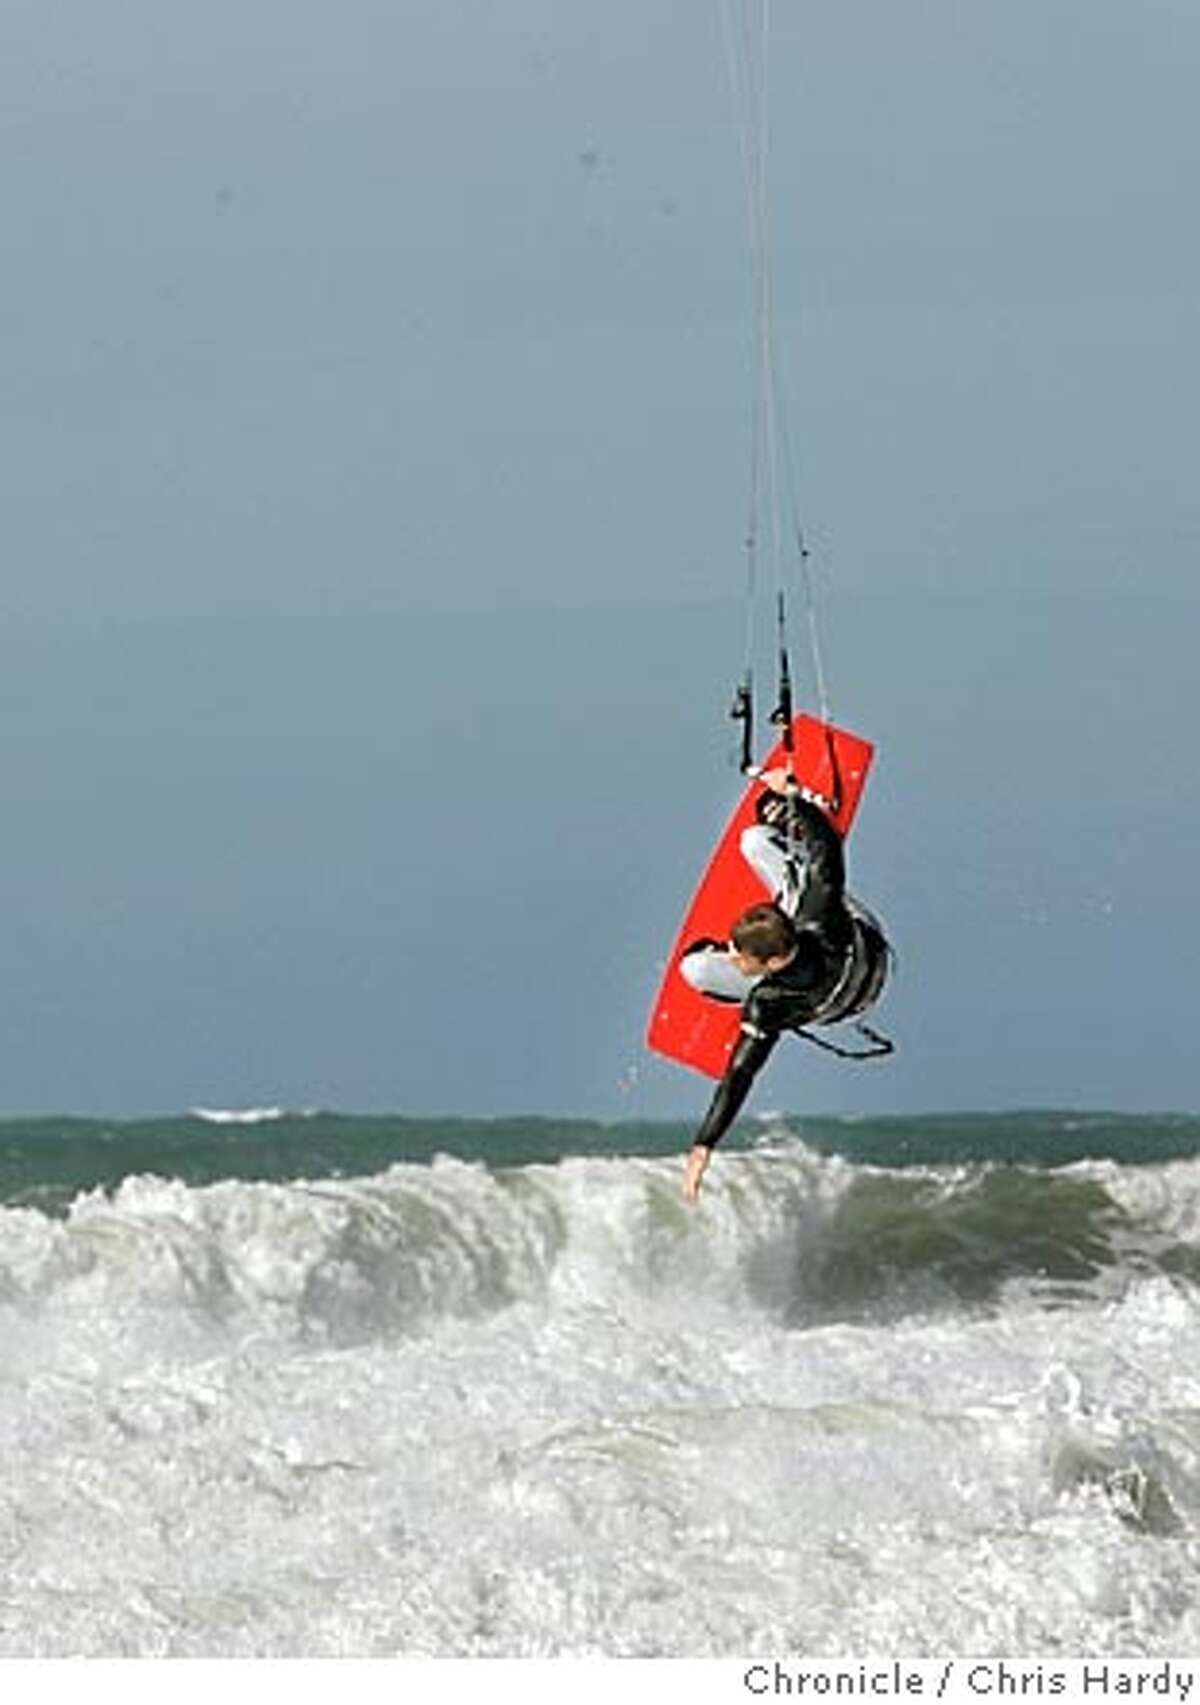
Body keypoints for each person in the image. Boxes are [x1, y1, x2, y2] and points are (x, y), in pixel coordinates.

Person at [679, 768, 888, 1202]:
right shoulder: (820, 909)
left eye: (740, 957)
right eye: (734, 950)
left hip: (837, 1002)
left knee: (694, 969)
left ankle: (782, 831)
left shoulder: (768, 1003)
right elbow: (825, 844)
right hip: (866, 953)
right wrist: (792, 797)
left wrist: (705, 1143)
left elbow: (741, 1072)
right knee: (757, 838)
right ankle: (782, 820)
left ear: (771, 963)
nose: (734, 960)